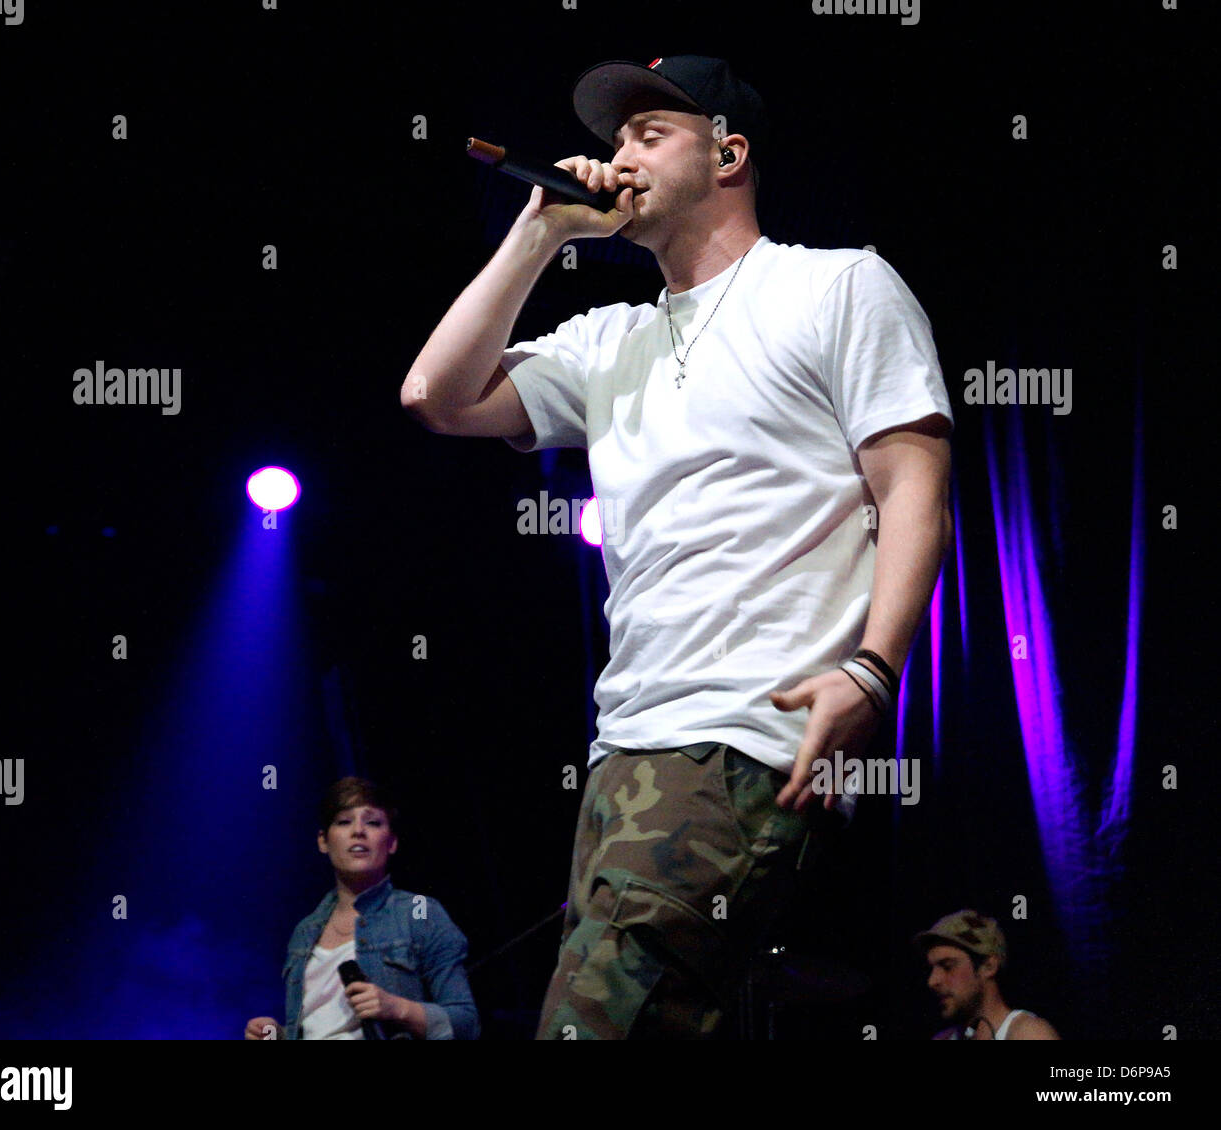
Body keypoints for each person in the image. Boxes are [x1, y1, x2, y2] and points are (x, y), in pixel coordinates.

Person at [401, 55, 954, 1038]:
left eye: (649, 134)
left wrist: (873, 670)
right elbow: (434, 396)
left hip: (742, 733)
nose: (619, 155)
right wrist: (539, 235)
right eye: (615, 139)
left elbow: (912, 490)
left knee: (589, 1024)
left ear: (728, 153)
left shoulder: (836, 286)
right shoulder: (608, 338)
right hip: (627, 744)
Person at [244, 777, 479, 1040]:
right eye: (344, 822)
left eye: (373, 822)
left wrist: (398, 1008)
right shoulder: (305, 931)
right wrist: (278, 1035)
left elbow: (466, 1024)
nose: (358, 831)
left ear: (391, 842)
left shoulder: (418, 913)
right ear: (323, 841)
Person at [915, 909, 1060, 1040]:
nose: (932, 981)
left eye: (947, 967)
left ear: (988, 966)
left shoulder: (1028, 1035)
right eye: (932, 969)